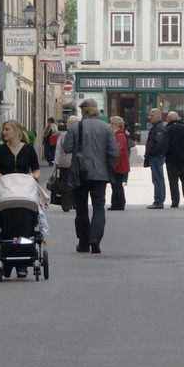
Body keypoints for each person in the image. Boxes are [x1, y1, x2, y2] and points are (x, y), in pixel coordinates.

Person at [59, 99, 118, 253]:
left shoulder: (76, 127)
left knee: (81, 208)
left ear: (83, 110)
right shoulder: (106, 128)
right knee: (99, 207)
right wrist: (109, 168)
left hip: (80, 173)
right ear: (96, 110)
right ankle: (95, 238)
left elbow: (67, 148)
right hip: (100, 173)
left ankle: (84, 242)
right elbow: (113, 152)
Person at [163, 111, 184, 207]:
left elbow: (164, 145)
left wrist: (164, 156)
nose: (166, 120)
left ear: (170, 119)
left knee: (173, 181)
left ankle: (175, 201)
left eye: (167, 118)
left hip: (171, 159)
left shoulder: (167, 129)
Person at [144, 109, 168, 209]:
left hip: (156, 157)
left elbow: (159, 143)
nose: (150, 117)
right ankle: (159, 199)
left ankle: (158, 201)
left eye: (152, 116)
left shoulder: (158, 128)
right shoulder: (157, 127)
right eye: (150, 115)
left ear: (158, 117)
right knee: (158, 178)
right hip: (156, 156)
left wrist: (152, 153)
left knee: (157, 179)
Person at [108, 114, 131, 211]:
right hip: (120, 164)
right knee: (117, 185)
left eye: (112, 123)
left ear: (117, 125)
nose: (110, 125)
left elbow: (119, 150)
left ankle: (117, 204)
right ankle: (119, 203)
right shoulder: (119, 134)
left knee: (116, 185)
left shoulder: (119, 135)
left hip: (119, 165)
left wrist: (114, 163)